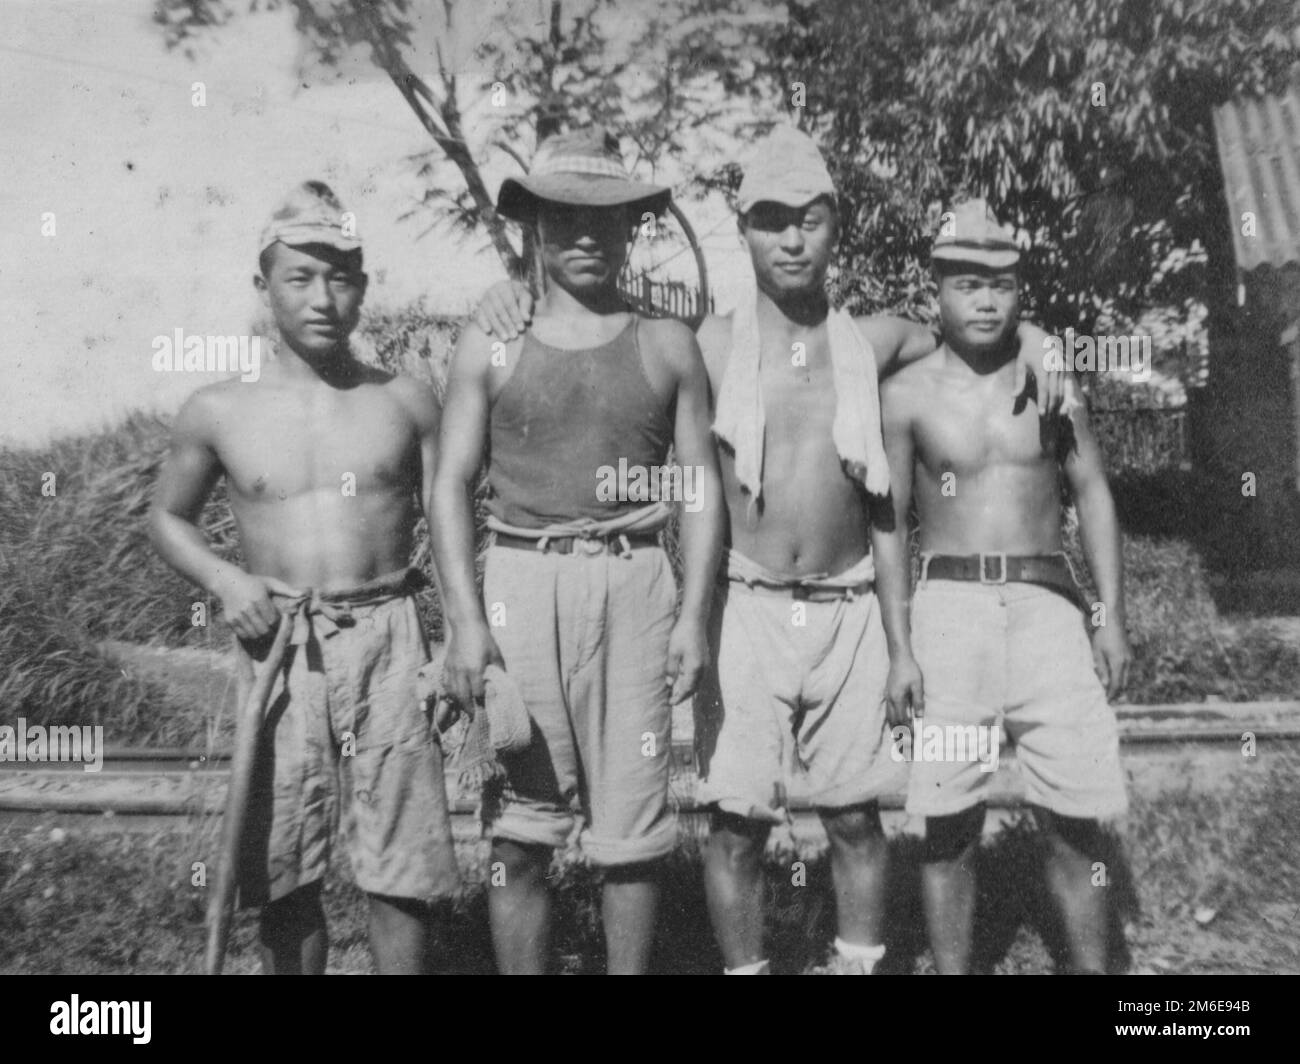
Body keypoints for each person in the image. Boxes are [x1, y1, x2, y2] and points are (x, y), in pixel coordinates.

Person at [472, 128, 1065, 975]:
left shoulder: (879, 339)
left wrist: (1043, 342)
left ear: (836, 228)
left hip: (850, 601)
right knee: (737, 822)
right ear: (742, 227)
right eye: (772, 220)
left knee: (857, 816)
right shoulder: (704, 344)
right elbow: (588, 326)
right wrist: (506, 294)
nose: (792, 239)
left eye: (811, 220)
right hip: (743, 605)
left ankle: (859, 963)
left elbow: (983, 331)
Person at [431, 126, 724, 975]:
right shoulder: (490, 341)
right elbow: (449, 485)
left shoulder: (668, 343)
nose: (587, 236)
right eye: (565, 219)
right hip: (521, 585)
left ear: (634, 227)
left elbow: (697, 490)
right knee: (518, 832)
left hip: (634, 585)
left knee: (631, 837)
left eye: (608, 219)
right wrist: (464, 625)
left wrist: (693, 620)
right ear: (535, 229)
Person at [149, 181, 458, 974]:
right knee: (284, 869)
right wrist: (226, 581)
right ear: (264, 287)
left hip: (390, 636)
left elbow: (451, 522)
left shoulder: (405, 401)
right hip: (280, 644)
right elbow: (168, 519)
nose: (322, 298)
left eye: (340, 277)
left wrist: (463, 637)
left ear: (362, 284)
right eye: (299, 277)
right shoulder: (218, 409)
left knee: (401, 870)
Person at [880, 198, 1130, 975]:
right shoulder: (907, 393)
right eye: (964, 284)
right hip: (949, 613)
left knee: (1077, 813)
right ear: (937, 292)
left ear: (1020, 292)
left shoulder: (1049, 381)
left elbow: (1091, 491)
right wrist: (899, 648)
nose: (984, 300)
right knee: (948, 818)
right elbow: (887, 523)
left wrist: (1110, 613)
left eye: (1000, 285)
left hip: (1048, 609)